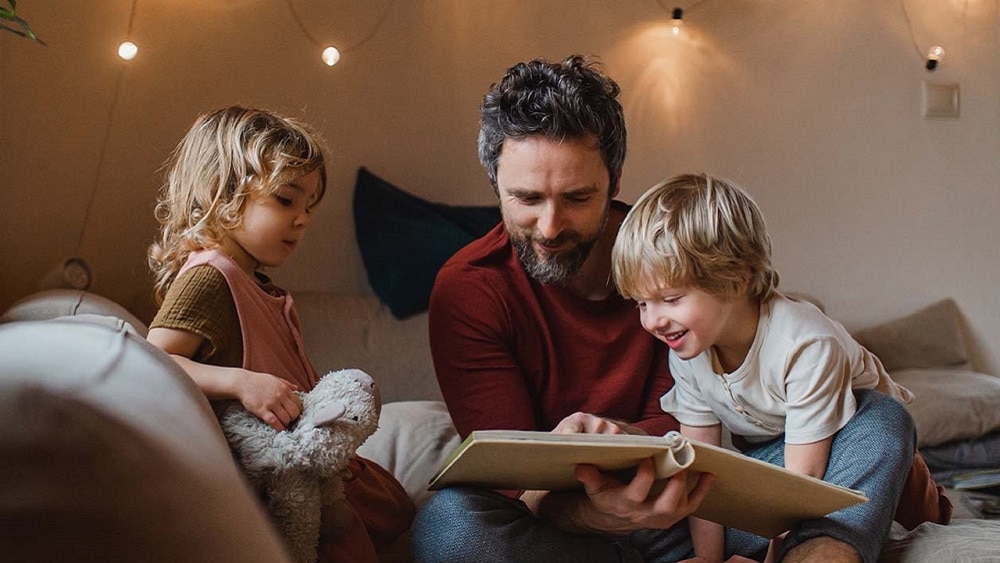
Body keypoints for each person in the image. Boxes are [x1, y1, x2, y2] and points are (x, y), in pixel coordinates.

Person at [611, 173, 951, 563]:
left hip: (857, 458)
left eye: (670, 298)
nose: (652, 321)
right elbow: (700, 471)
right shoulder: (689, 349)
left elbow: (798, 486)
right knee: (655, 509)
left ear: (737, 280)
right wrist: (710, 559)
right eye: (641, 303)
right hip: (778, 464)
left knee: (884, 417)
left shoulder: (804, 343)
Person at [145, 106, 414, 563]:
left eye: (309, 205)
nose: (304, 218)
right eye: (286, 200)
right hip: (267, 480)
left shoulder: (253, 282)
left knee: (395, 508)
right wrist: (240, 382)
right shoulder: (210, 276)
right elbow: (153, 363)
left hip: (302, 461)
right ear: (221, 194)